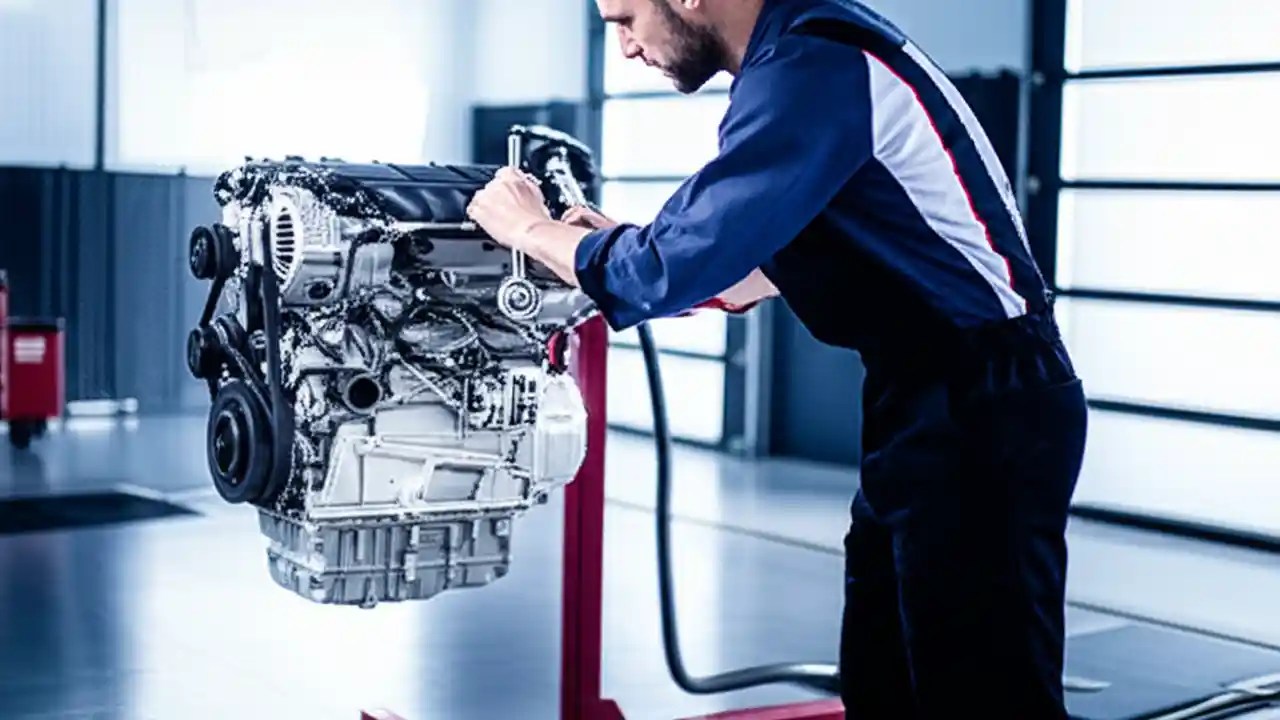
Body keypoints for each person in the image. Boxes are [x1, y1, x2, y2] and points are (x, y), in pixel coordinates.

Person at [466, 0, 1088, 717]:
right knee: (886, 680)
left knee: (981, 696)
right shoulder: (798, 61)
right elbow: (744, 267)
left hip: (985, 400)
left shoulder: (811, 67)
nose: (626, 48)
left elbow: (661, 270)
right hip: (925, 397)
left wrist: (530, 228)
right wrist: (610, 249)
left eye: (626, 18)